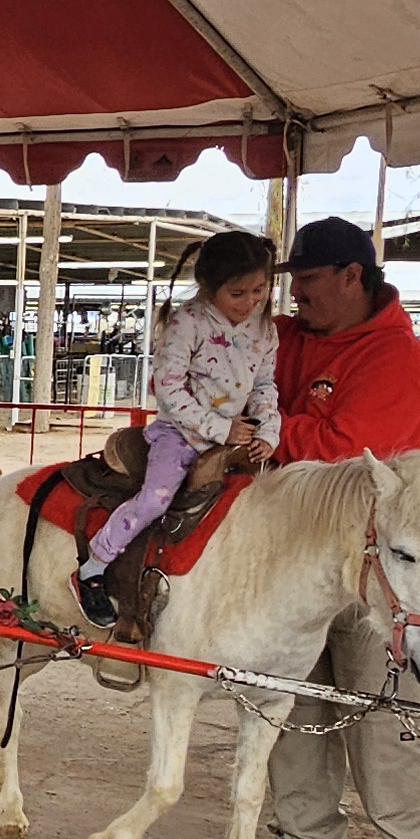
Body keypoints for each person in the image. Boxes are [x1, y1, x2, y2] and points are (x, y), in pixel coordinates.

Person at [253, 217, 420, 839]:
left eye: (307, 281)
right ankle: (308, 836)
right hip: (299, 556)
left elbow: (347, 452)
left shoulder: (395, 356)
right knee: (292, 691)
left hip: (378, 565)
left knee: (381, 705)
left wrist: (264, 432)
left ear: (352, 277)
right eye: (293, 283)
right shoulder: (292, 338)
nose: (297, 295)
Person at [76, 232, 278, 626]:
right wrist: (220, 428)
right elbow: (168, 387)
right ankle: (94, 566)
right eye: (237, 293)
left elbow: (265, 384)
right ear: (208, 286)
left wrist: (269, 430)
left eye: (259, 290)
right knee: (155, 500)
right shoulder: (188, 321)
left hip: (238, 434)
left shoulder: (265, 327)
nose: (251, 302)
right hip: (182, 435)